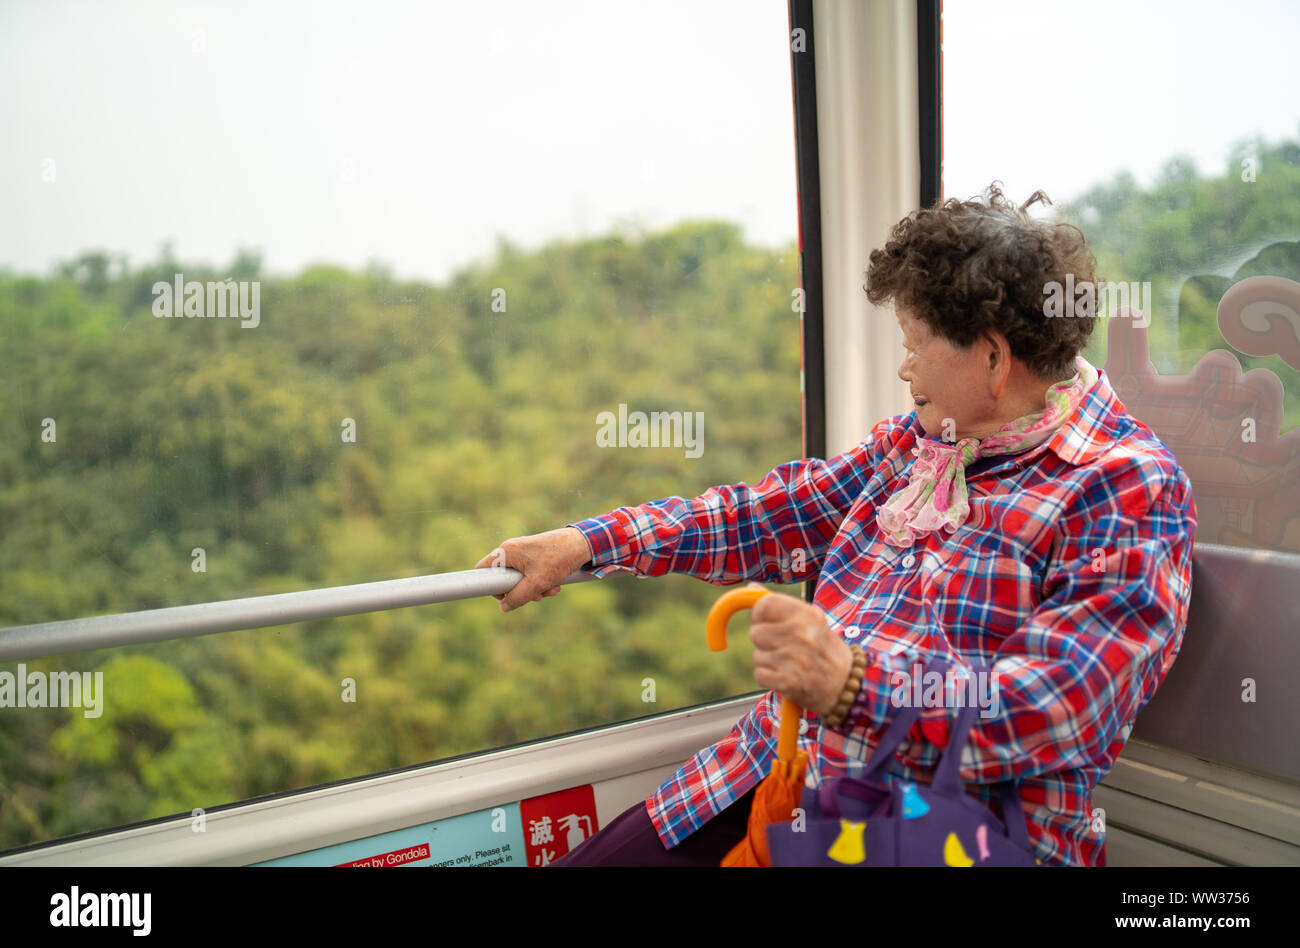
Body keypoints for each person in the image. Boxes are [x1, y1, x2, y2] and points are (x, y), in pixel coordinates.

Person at [475, 185, 1198, 866]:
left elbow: (1052, 709)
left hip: (947, 829)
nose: (904, 371)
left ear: (992, 356)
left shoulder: (1128, 487)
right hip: (785, 772)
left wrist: (852, 687)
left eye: (915, 345)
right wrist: (591, 543)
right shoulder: (918, 446)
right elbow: (767, 518)